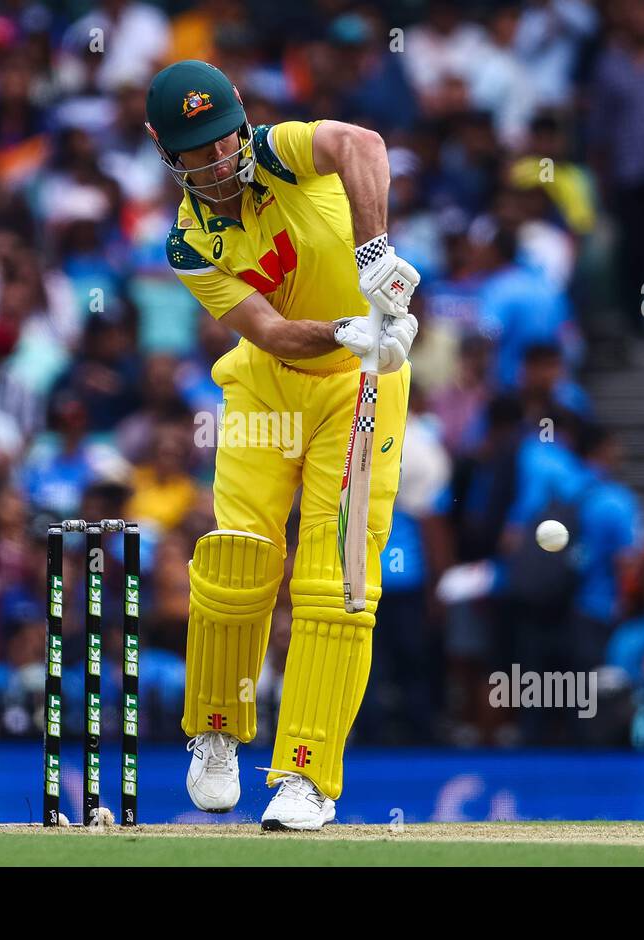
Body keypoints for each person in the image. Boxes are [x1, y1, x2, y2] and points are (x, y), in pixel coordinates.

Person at [147, 60, 419, 829]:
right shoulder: (188, 243)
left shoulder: (280, 149)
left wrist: (374, 257)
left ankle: (306, 777)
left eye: (223, 139)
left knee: (337, 582)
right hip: (269, 383)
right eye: (195, 151)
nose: (218, 160)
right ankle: (216, 732)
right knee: (237, 553)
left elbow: (361, 144)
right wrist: (347, 328)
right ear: (167, 154)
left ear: (243, 124)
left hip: (364, 389)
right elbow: (268, 331)